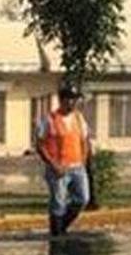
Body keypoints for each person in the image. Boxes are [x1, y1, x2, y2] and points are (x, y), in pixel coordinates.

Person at [34, 84, 92, 237]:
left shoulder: (79, 118)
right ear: (61, 100)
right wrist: (53, 165)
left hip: (77, 167)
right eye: (69, 100)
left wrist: (84, 160)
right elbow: (39, 144)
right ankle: (56, 234)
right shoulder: (50, 119)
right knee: (58, 203)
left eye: (74, 100)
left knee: (83, 198)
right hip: (58, 168)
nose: (72, 103)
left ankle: (63, 226)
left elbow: (85, 140)